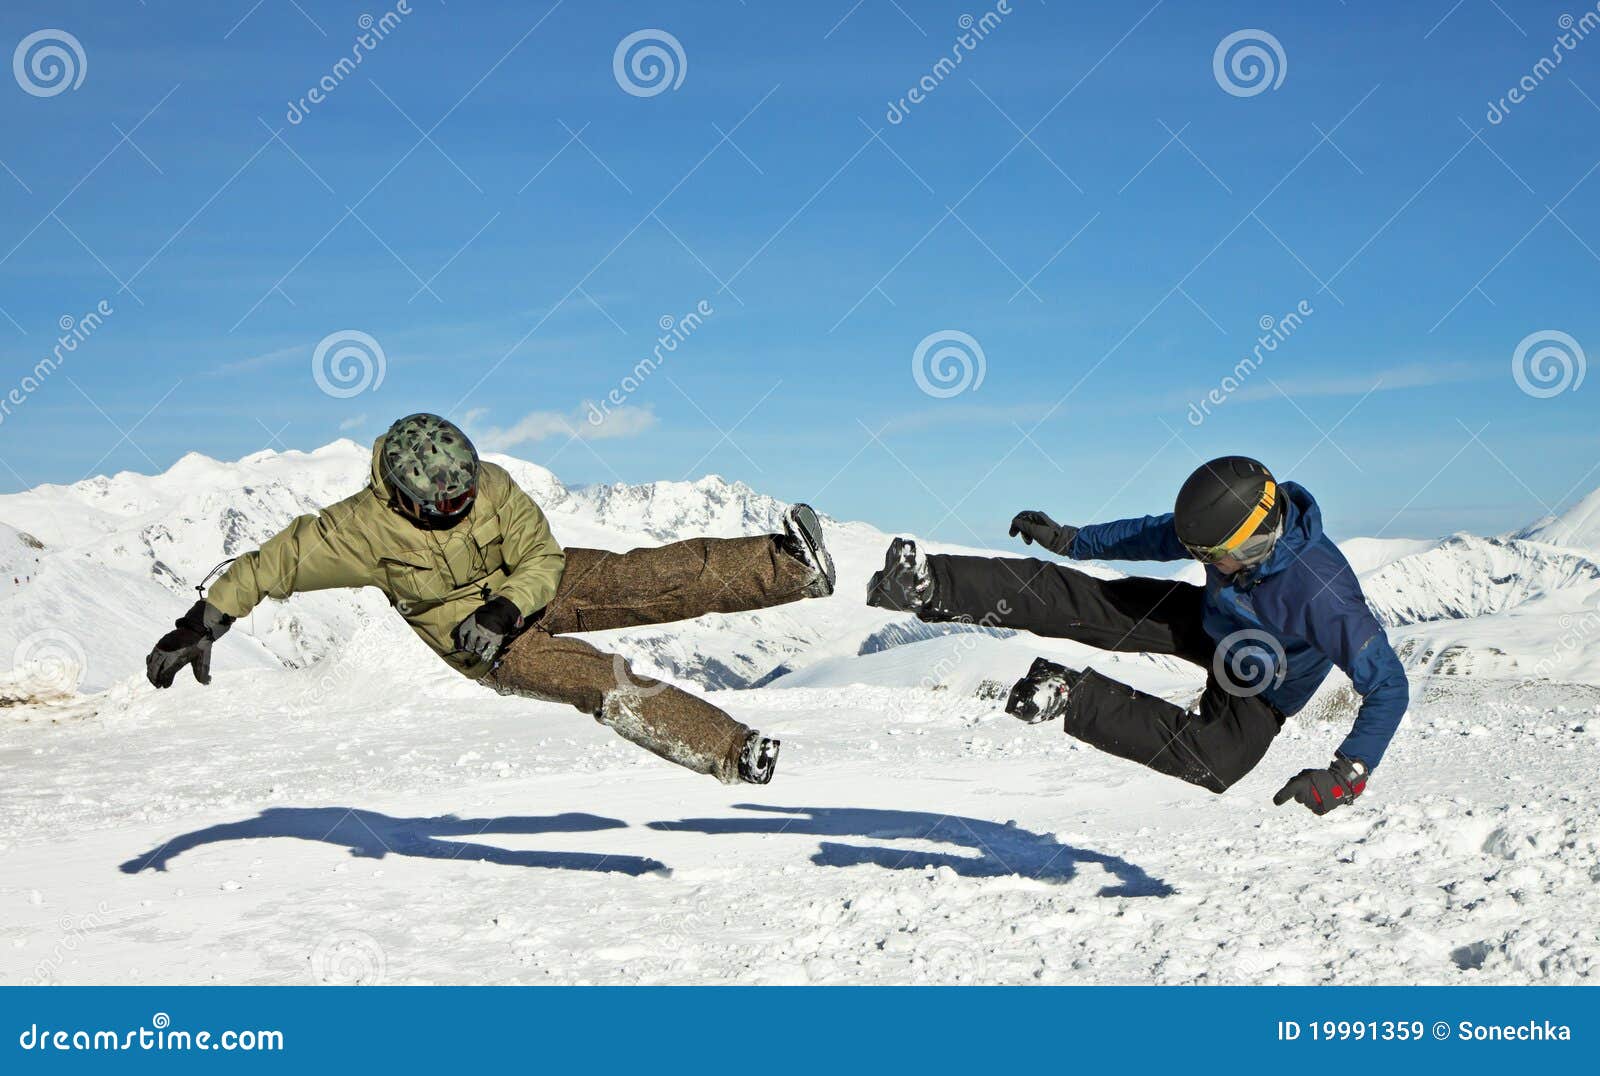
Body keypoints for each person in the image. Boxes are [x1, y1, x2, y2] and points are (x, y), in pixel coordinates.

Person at [145, 413, 836, 786]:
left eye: (466, 490)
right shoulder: (355, 531)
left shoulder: (493, 484)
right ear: (405, 495)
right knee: (603, 682)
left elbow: (539, 555)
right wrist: (201, 621)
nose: (462, 503)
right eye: (446, 501)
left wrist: (506, 601)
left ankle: (793, 568)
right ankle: (731, 752)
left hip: (526, 589)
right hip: (487, 647)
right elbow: (272, 563)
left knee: (646, 577)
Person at [865, 455, 1408, 815]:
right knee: (1092, 605)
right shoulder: (1225, 530)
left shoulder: (1321, 592)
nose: (1208, 566)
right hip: (1212, 624)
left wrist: (1346, 774)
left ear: (1258, 541)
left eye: (1215, 559)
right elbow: (1150, 534)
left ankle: (1070, 694)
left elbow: (1388, 684)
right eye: (1202, 557)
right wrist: (1072, 540)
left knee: (1218, 762)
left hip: (1263, 685)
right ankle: (928, 583)